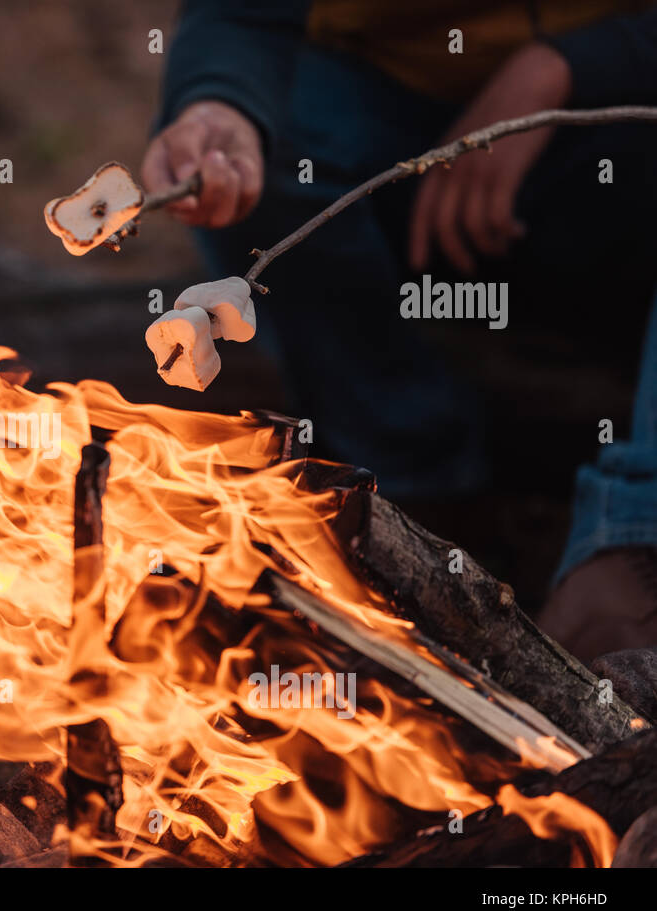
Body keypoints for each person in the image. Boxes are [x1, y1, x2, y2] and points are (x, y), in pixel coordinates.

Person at [143, 0, 657, 663]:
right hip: (391, 144)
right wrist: (218, 106)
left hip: (622, 138)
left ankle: (634, 545)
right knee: (259, 134)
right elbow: (242, 15)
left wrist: (562, 69)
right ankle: (412, 510)